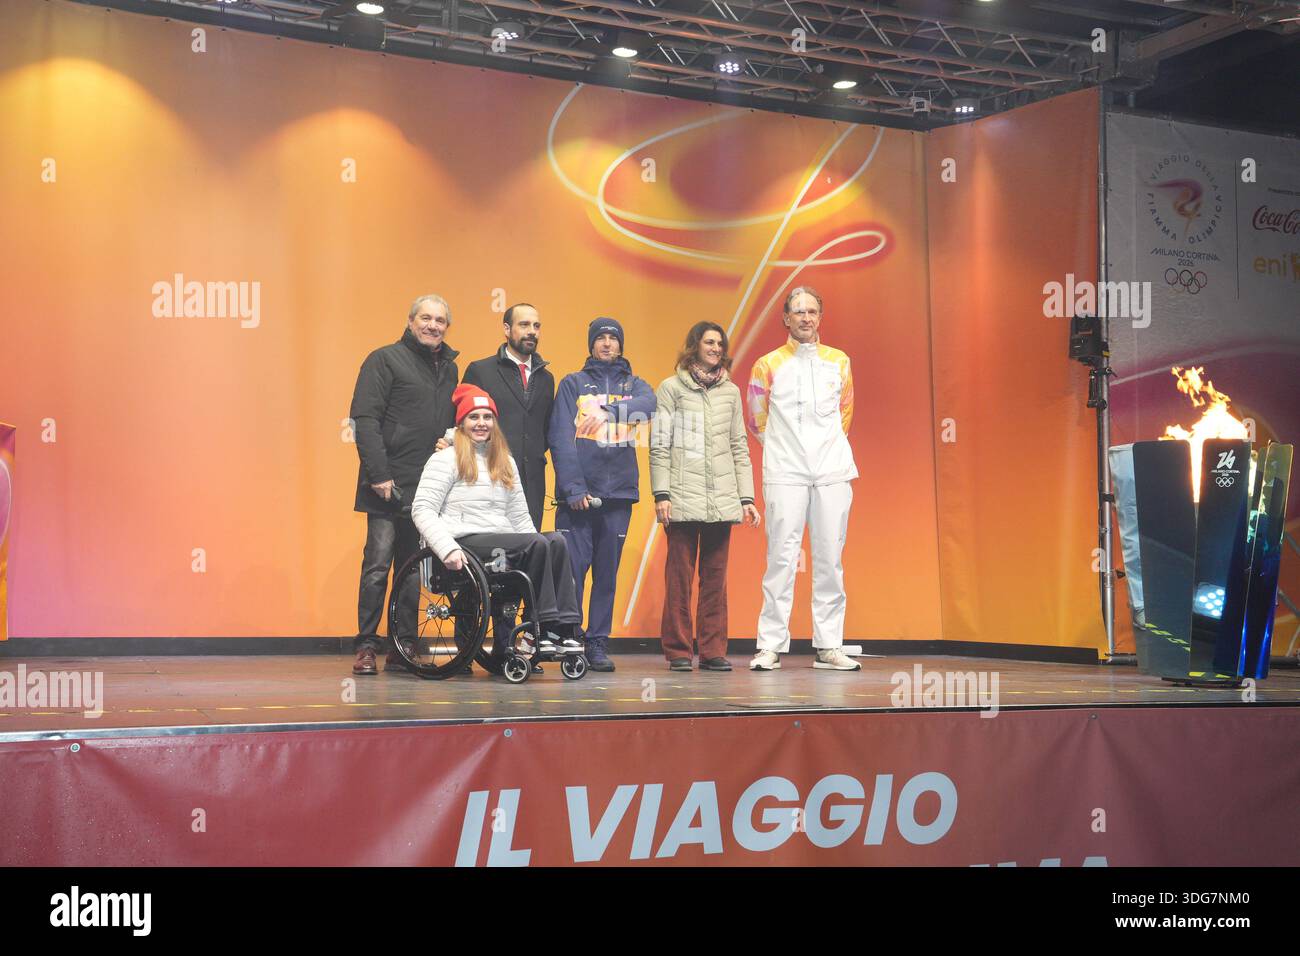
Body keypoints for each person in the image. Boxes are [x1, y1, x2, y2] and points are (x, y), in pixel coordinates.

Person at [410, 384, 583, 653]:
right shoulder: (445, 459)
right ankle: (542, 627)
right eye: (474, 417)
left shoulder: (505, 461)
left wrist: (536, 540)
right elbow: (422, 509)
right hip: (464, 542)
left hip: (502, 542)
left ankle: (564, 629)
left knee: (555, 541)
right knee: (536, 544)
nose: (482, 423)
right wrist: (447, 548)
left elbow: (519, 515)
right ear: (462, 423)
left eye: (487, 417)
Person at [745, 287, 861, 672]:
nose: (806, 318)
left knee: (830, 559)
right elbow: (756, 419)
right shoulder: (767, 364)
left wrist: (821, 450)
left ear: (820, 317)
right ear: (786, 318)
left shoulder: (838, 361)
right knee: (781, 557)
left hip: (832, 470)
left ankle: (829, 645)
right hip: (785, 471)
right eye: (798, 312)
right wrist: (786, 449)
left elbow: (845, 412)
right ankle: (770, 645)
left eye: (812, 311)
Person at [349, 294, 459, 676]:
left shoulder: (450, 368)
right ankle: (366, 647)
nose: (433, 325)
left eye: (440, 320)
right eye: (426, 318)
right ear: (411, 321)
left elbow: (449, 420)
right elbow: (364, 419)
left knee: (413, 568)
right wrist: (379, 474)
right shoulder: (383, 359)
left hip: (426, 488)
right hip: (386, 484)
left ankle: (404, 645)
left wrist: (449, 438)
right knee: (378, 566)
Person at [650, 322, 761, 672]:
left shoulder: (730, 391)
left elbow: (739, 446)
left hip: (722, 499)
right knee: (679, 579)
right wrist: (661, 493)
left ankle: (713, 650)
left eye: (719, 343)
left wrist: (746, 498)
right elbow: (659, 444)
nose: (714, 347)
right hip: (682, 497)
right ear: (694, 345)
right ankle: (679, 651)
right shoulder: (671, 388)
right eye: (708, 341)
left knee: (715, 579)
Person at [548, 318, 657, 672]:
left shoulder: (634, 384)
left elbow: (649, 405)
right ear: (591, 344)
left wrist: (609, 410)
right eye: (601, 338)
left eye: (613, 338)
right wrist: (574, 488)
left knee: (607, 576)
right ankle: (571, 639)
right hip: (578, 497)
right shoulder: (572, 383)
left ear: (620, 345)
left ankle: (597, 643)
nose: (607, 344)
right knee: (574, 574)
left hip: (618, 497)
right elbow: (560, 440)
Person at [460, 304, 555, 532]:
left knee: (528, 552)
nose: (531, 331)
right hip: (488, 478)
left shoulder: (547, 379)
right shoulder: (480, 371)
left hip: (532, 482)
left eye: (536, 326)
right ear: (506, 328)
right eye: (524, 325)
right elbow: (463, 426)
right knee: (491, 557)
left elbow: (544, 430)